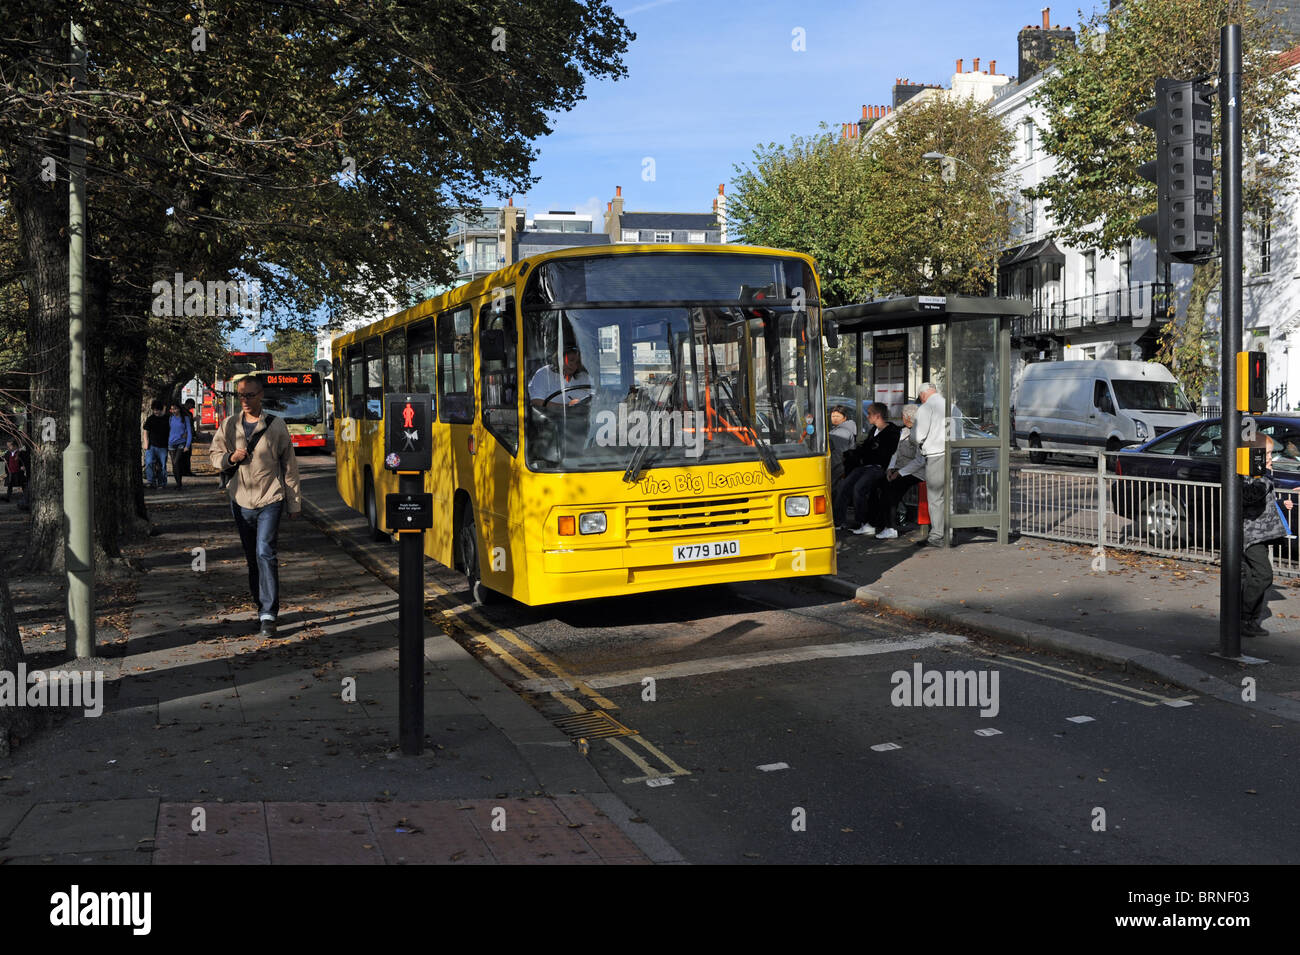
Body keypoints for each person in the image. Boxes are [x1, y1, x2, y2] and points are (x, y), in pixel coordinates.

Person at [210, 375, 302, 637]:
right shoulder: (229, 425)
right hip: (240, 501)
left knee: (265, 552)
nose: (245, 400)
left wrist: (294, 502)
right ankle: (260, 606)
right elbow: (214, 456)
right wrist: (230, 457)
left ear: (261, 395)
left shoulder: (276, 425)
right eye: (241, 395)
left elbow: (289, 466)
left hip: (270, 498)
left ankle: (269, 615)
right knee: (252, 557)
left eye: (250, 395)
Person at [1242, 435, 1294, 637]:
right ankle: (1242, 616)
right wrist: (1266, 476)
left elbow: (1263, 500)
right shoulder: (1250, 473)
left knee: (1256, 577)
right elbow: (1250, 496)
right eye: (1268, 453)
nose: (1272, 457)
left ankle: (1250, 620)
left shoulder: (1262, 473)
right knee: (1264, 575)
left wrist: (1281, 504)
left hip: (1260, 533)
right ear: (1256, 454)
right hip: (1250, 534)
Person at [835, 403, 900, 534]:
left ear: (877, 416)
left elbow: (885, 453)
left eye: (870, 413)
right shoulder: (873, 430)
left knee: (859, 487)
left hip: (879, 467)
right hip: (865, 466)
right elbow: (866, 448)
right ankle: (838, 521)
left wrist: (869, 452)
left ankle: (863, 522)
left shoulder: (891, 433)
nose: (868, 416)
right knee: (844, 486)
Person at [869, 404, 923, 540]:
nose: (902, 418)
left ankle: (891, 527)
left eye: (903, 416)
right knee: (879, 483)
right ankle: (877, 523)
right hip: (900, 469)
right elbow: (895, 453)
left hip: (917, 472)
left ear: (907, 417)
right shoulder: (903, 431)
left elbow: (919, 461)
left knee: (892, 489)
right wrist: (890, 469)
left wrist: (899, 473)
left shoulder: (920, 433)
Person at [912, 382, 949, 547]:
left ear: (922, 395)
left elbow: (918, 435)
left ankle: (937, 536)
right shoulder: (951, 405)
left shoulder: (925, 408)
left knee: (935, 497)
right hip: (951, 454)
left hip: (935, 455)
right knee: (949, 496)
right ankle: (949, 532)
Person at [529, 341, 592, 409]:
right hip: (551, 418)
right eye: (571, 360)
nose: (573, 365)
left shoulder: (584, 377)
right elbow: (536, 401)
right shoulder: (544, 373)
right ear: (559, 359)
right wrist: (567, 408)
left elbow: (593, 398)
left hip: (581, 417)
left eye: (577, 362)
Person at [142, 400, 170, 488]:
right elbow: (146, 431)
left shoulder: (167, 419)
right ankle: (150, 481)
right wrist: (146, 443)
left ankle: (162, 482)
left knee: (162, 465)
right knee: (149, 463)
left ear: (162, 410)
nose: (156, 412)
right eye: (154, 410)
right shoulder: (151, 419)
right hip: (151, 446)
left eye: (157, 410)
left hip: (163, 446)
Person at [166, 401, 192, 490]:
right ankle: (178, 483)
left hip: (181, 443)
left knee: (176, 462)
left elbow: (189, 432)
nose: (173, 411)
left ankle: (179, 484)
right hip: (171, 443)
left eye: (175, 409)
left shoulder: (185, 418)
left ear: (179, 409)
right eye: (172, 409)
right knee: (174, 464)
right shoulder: (170, 418)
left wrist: (187, 445)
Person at [3, 438, 28, 503]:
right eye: (7, 446)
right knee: (9, 486)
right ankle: (8, 497)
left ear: (15, 446)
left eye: (9, 446)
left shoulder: (20, 453)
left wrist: (23, 466)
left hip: (19, 472)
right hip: (11, 472)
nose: (8, 447)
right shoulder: (8, 454)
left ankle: (26, 497)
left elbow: (24, 460)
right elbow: (4, 459)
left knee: (23, 484)